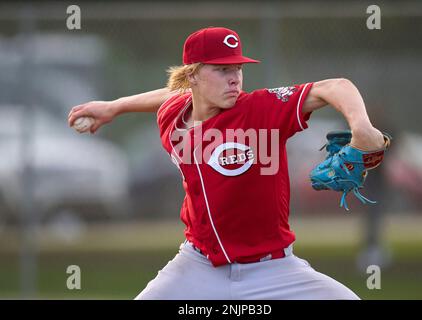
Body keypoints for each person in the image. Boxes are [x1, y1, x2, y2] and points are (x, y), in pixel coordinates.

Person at [68, 27, 385, 300]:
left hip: (273, 269)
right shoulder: (173, 115)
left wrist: (362, 129)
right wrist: (113, 107)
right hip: (197, 265)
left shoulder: (260, 109)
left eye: (238, 69)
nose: (234, 79)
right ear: (192, 74)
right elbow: (169, 95)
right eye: (222, 70)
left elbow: (335, 86)